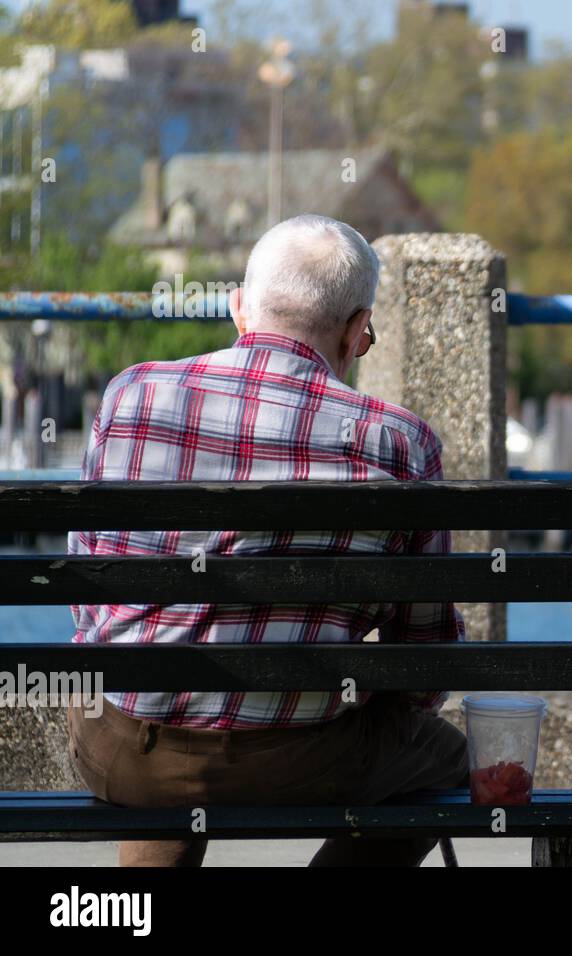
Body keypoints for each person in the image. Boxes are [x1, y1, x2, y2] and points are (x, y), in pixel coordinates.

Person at [66, 214, 466, 867]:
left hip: (130, 755)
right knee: (449, 757)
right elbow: (423, 662)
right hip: (306, 757)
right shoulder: (401, 443)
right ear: (356, 328)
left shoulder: (132, 395)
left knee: (147, 688)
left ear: (238, 307)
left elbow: (91, 599)